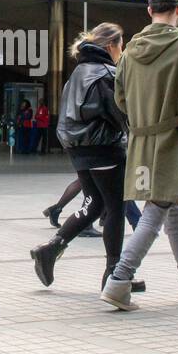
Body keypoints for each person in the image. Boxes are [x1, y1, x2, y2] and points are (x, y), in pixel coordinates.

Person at [100, 0, 178, 311]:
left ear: (149, 11)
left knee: (172, 211)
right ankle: (120, 280)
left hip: (140, 141)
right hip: (172, 142)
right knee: (156, 209)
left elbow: (120, 98)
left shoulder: (131, 51)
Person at [32, 23, 142, 290]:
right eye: (121, 44)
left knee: (94, 203)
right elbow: (122, 116)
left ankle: (50, 249)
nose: (123, 50)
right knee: (116, 207)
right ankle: (115, 275)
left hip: (78, 148)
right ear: (109, 46)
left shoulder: (79, 71)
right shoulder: (106, 74)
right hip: (104, 147)